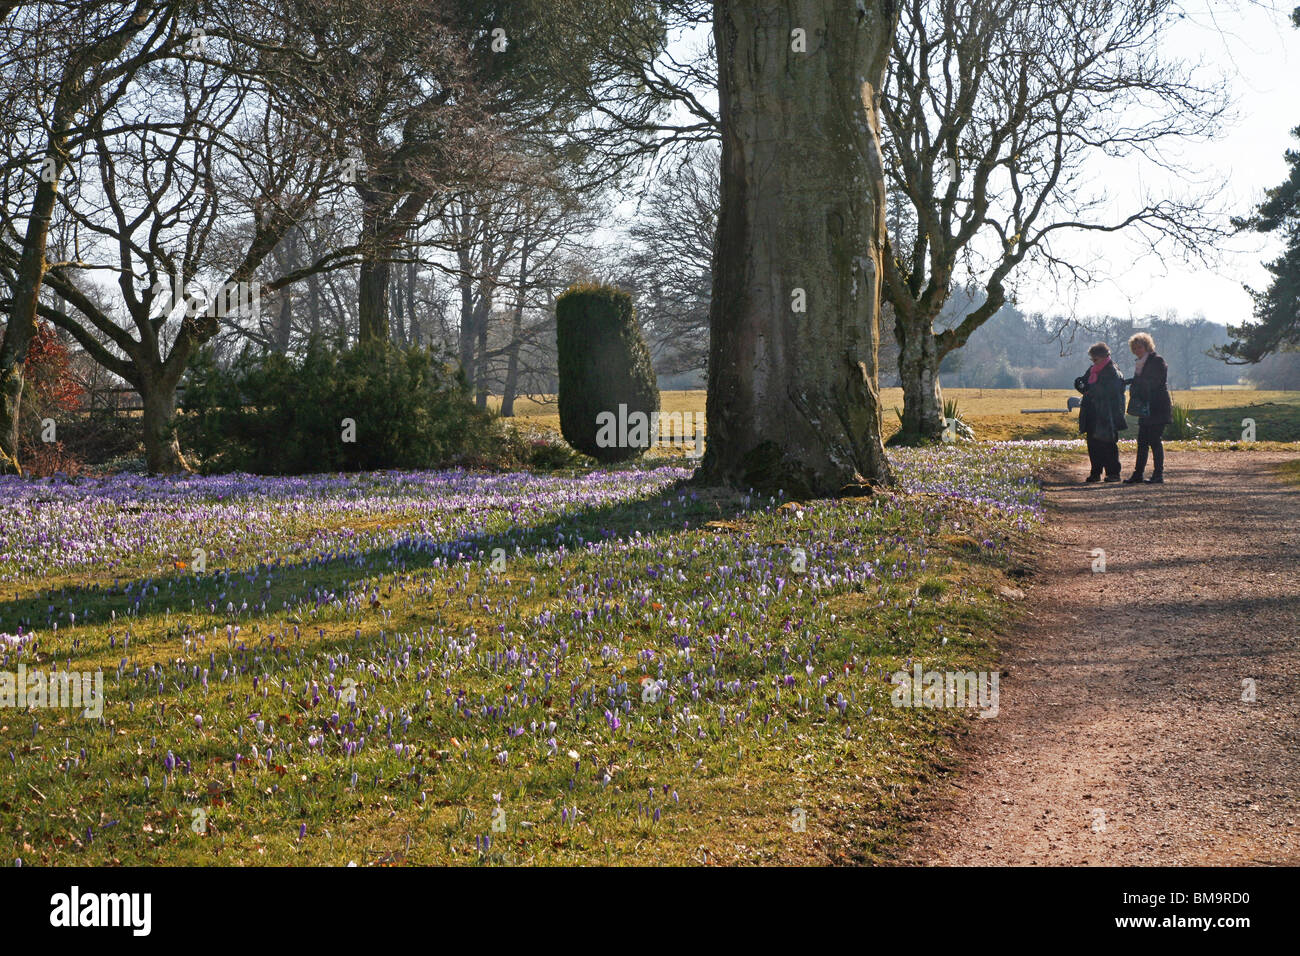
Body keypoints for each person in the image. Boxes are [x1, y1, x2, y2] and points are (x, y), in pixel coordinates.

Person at [1074, 342, 1127, 483]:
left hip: (1106, 414)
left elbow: (1111, 391)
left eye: (1095, 359)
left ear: (1104, 357)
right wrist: (1081, 385)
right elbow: (1084, 383)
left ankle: (1113, 473)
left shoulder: (1112, 371)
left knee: (1108, 444)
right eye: (1092, 359)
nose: (1093, 362)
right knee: (1093, 444)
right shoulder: (1093, 369)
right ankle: (1095, 473)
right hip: (1092, 412)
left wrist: (1091, 390)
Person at [1123, 332, 1172, 484]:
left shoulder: (1157, 361)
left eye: (1140, 347)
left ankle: (1158, 474)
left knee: (1154, 440)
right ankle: (1138, 474)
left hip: (1158, 406)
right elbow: (1142, 383)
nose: (1137, 350)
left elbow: (1153, 383)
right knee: (1142, 441)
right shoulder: (1140, 363)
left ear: (1147, 346)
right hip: (1145, 407)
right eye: (1135, 348)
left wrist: (1136, 385)